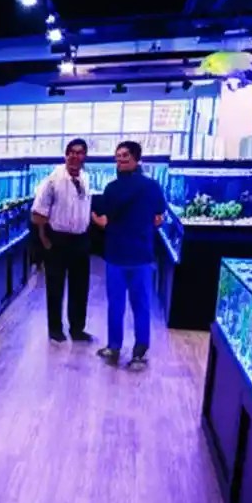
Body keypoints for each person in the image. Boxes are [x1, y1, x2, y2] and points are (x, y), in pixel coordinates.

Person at [91, 141, 165, 370]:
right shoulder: (152, 187)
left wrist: (95, 218)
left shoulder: (112, 188)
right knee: (138, 305)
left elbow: (103, 220)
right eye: (118, 156)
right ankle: (137, 352)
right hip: (139, 254)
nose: (120, 160)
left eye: (124, 156)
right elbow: (158, 218)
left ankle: (116, 348)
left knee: (120, 304)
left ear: (136, 158)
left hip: (120, 254)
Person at [31, 138, 94, 343]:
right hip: (57, 240)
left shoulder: (85, 178)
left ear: (85, 156)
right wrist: (44, 239)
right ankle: (55, 329)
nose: (76, 156)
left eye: (80, 152)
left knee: (80, 287)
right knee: (55, 286)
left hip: (80, 240)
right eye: (72, 152)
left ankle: (77, 329)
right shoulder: (52, 180)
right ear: (66, 155)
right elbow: (38, 212)